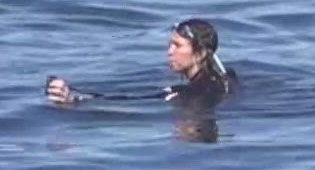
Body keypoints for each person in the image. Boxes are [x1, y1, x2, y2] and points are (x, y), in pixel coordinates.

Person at [45, 18, 237, 110]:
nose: (169, 51)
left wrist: (76, 100)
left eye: (177, 45)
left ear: (201, 53)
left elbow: (135, 100)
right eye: (170, 44)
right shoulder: (227, 77)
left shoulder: (185, 94)